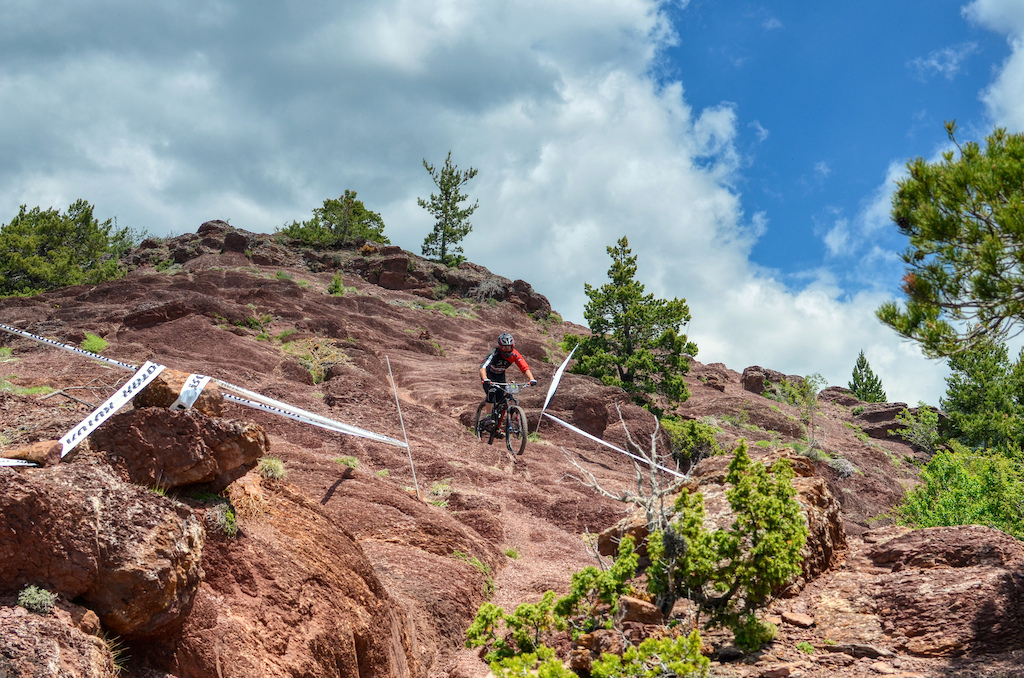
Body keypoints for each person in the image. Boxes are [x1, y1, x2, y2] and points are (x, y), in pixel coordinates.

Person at [479, 332, 537, 424]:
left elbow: (524, 367)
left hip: (500, 375)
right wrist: (485, 379)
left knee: (503, 397)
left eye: (509, 347)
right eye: (504, 347)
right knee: (492, 391)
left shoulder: (515, 354)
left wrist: (531, 379)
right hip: (489, 374)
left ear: (512, 346)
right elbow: (483, 367)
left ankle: (498, 423)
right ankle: (488, 417)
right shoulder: (494, 353)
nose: (507, 350)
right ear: (500, 346)